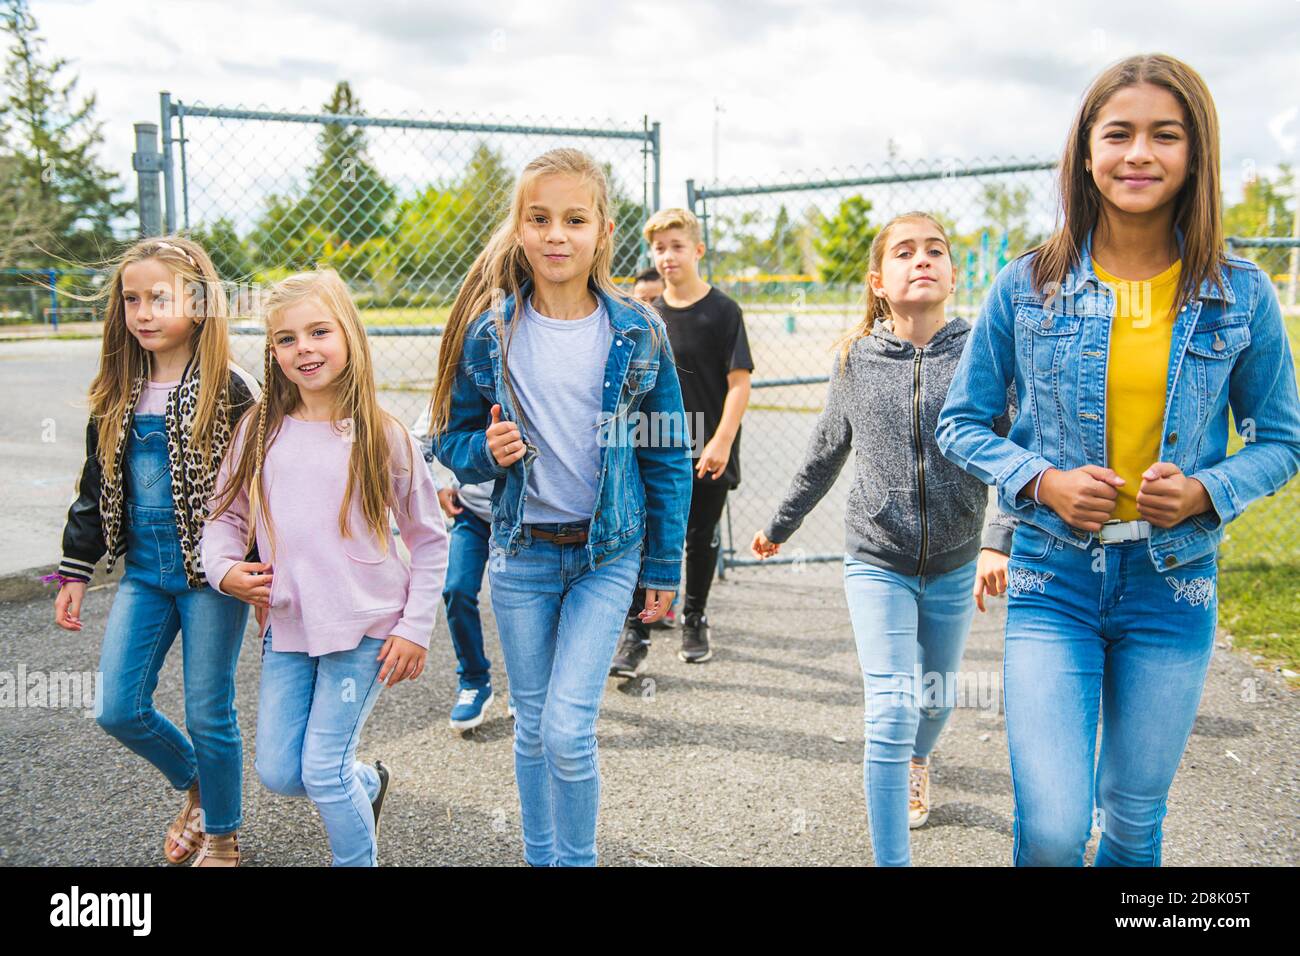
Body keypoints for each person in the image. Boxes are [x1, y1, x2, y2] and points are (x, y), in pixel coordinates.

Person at [937, 53, 1300, 866]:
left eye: (1164, 135)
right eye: (1119, 133)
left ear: (1195, 154)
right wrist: (1043, 480)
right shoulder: (1026, 284)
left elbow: (1282, 441)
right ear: (1086, 152)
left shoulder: (1241, 293)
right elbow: (962, 424)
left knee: (1134, 828)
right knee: (1058, 831)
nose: (1139, 153)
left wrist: (1209, 490)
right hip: (1051, 580)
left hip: (1174, 587)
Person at [429, 148, 691, 866]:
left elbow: (667, 451)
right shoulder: (491, 334)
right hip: (521, 554)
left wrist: (665, 562)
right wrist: (487, 453)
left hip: (607, 553)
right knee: (534, 725)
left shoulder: (639, 332)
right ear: (518, 229)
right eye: (539, 218)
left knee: (569, 730)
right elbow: (449, 440)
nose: (556, 234)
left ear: (602, 231)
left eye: (574, 219)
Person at [751, 213, 1015, 866]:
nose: (921, 259)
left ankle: (919, 759)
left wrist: (998, 541)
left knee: (937, 698)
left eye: (935, 251)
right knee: (892, 708)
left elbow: (1017, 450)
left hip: (955, 564)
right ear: (878, 280)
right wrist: (778, 525)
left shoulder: (982, 353)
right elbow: (823, 454)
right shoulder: (857, 361)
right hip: (878, 561)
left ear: (953, 275)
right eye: (904, 252)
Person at [204, 269, 448, 866]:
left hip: (365, 631)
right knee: (283, 774)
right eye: (286, 339)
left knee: (324, 768)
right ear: (272, 351)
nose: (303, 348)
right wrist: (224, 569)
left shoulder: (382, 435)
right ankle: (368, 786)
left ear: (349, 336)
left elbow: (429, 539)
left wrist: (413, 628)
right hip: (288, 630)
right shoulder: (258, 431)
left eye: (318, 331)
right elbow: (224, 518)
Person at [52, 236, 259, 866]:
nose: (143, 312)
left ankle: (221, 837)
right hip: (145, 574)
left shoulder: (231, 390)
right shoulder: (118, 390)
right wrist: (76, 567)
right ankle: (199, 785)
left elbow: (262, 486)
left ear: (199, 304)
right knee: (117, 708)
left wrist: (264, 570)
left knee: (208, 711)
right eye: (132, 299)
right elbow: (95, 483)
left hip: (211, 578)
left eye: (159, 298)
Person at [610, 207, 752, 677]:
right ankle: (639, 633)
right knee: (648, 537)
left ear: (698, 251)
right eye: (659, 248)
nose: (667, 256)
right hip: (655, 447)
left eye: (676, 246)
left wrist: (721, 442)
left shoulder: (723, 311)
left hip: (707, 445)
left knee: (699, 537)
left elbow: (739, 383)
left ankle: (694, 618)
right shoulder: (647, 316)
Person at [411, 403, 502, 730]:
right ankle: (475, 680)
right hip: (474, 515)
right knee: (457, 590)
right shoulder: (462, 382)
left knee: (522, 606)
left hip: (526, 520)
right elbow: (417, 441)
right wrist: (436, 487)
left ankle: (529, 687)